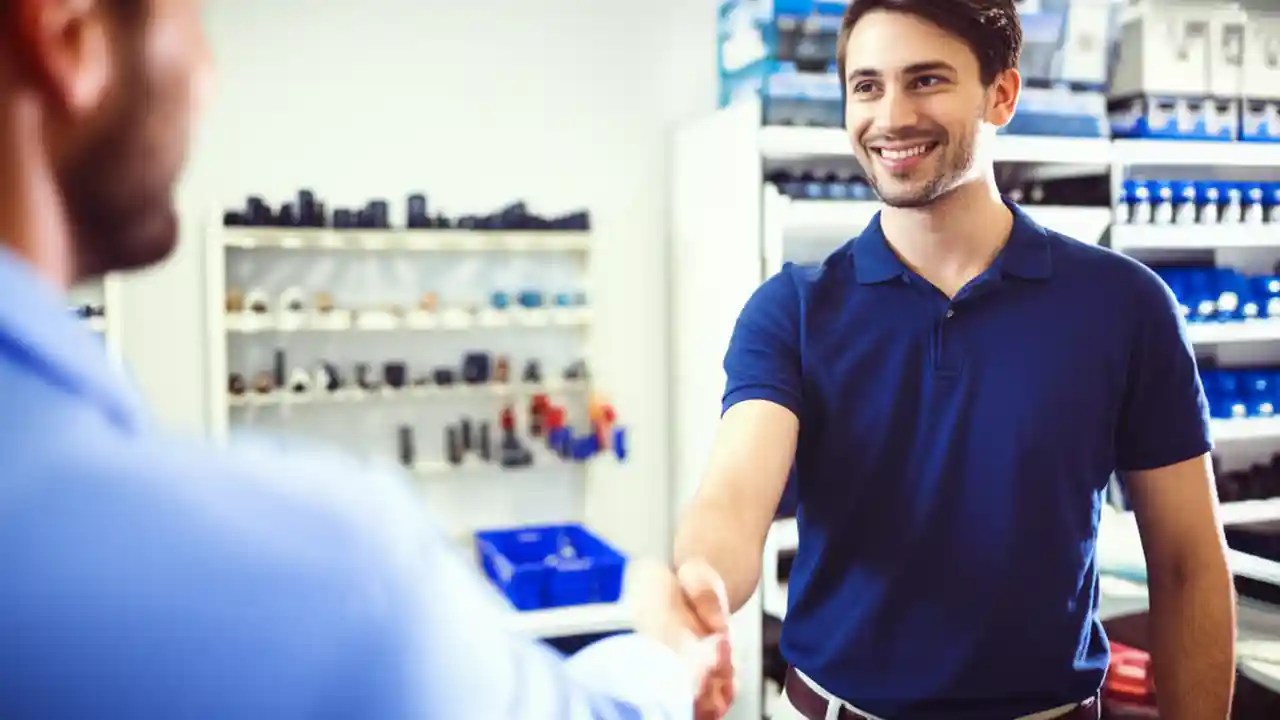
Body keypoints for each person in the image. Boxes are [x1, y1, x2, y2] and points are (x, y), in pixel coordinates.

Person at [0, 1, 735, 718]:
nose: (208, 75)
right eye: (190, 22)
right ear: (70, 40)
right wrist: (664, 658)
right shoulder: (328, 564)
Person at [671, 1, 1238, 719]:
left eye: (927, 80)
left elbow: (1188, 563)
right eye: (867, 86)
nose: (892, 116)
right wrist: (701, 583)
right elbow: (731, 499)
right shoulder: (795, 310)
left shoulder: (1125, 306)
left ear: (1001, 93)